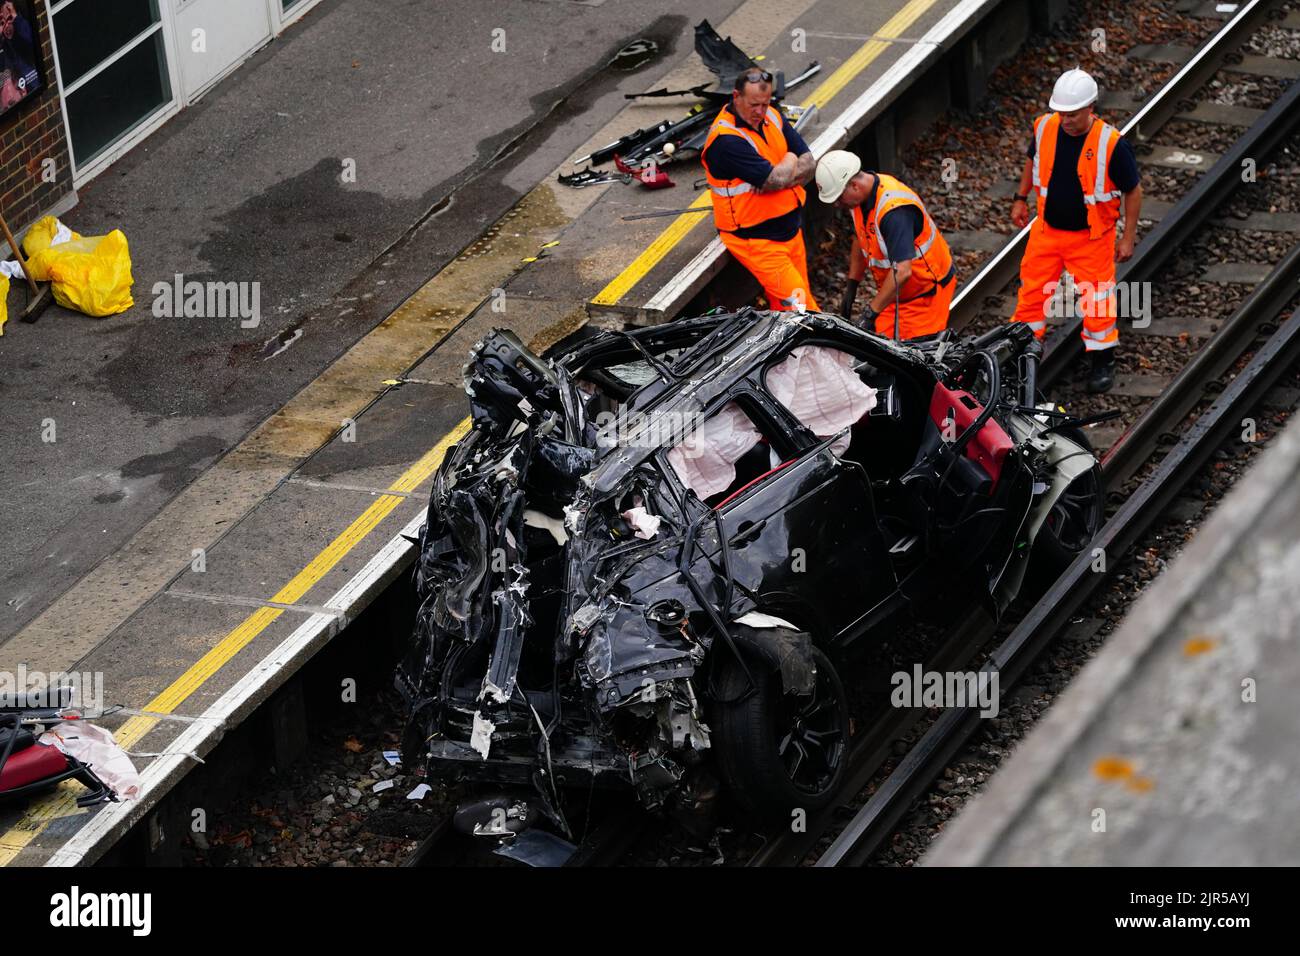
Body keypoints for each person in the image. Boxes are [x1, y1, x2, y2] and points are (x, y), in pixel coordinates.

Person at [1010, 68, 1143, 393]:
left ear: (1090, 109)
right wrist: (1019, 197)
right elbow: (1031, 160)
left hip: (1091, 237)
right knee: (1031, 295)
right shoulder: (1045, 127)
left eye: (1072, 114)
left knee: (1097, 300)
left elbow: (1133, 190)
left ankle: (1102, 359)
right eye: (1061, 113)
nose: (1065, 120)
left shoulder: (1112, 144)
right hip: (1047, 230)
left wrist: (1128, 236)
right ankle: (1021, 358)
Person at [701, 69, 819, 311]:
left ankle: (786, 350)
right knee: (804, 313)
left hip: (790, 232)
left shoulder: (772, 116)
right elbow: (773, 180)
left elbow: (809, 163)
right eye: (754, 105)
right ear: (736, 97)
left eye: (765, 104)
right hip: (759, 243)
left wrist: (786, 172)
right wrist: (789, 157)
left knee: (787, 312)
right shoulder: (727, 140)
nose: (760, 112)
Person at [815, 149, 954, 340]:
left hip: (924, 296)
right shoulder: (860, 199)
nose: (837, 205)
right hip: (895, 293)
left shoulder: (894, 213)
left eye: (838, 198)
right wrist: (852, 285)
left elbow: (902, 271)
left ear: (854, 186)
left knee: (919, 361)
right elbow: (860, 237)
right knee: (882, 354)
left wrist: (870, 312)